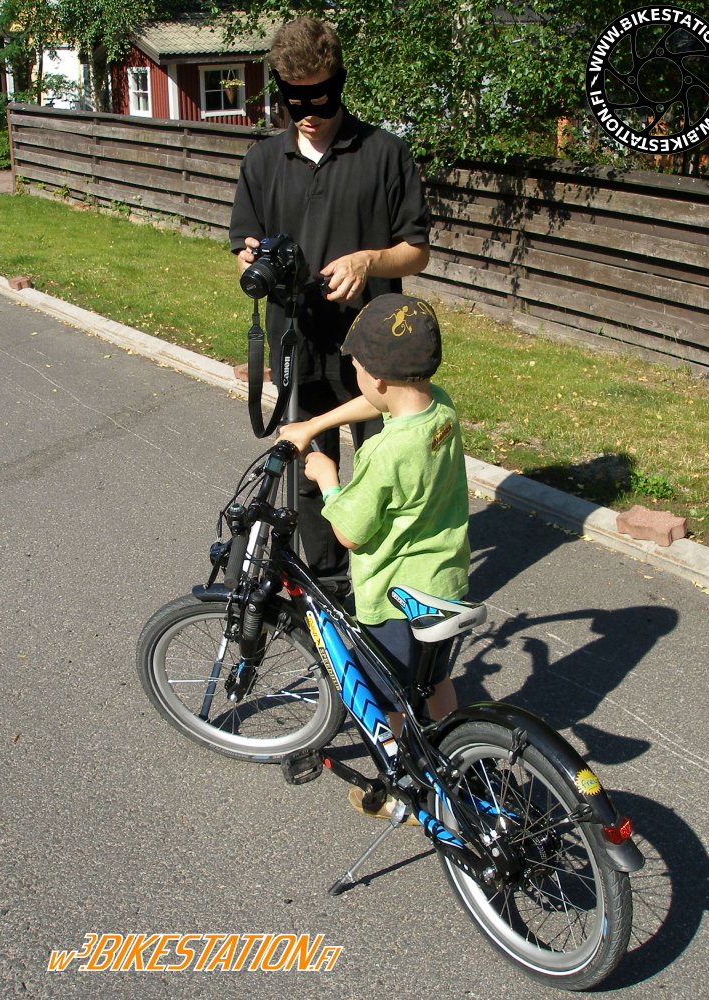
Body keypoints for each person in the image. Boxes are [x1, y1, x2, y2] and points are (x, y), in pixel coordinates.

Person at [229, 16, 430, 584]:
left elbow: (416, 251)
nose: (308, 111)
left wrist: (368, 261)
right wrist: (248, 260)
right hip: (296, 338)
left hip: (374, 345)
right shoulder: (262, 162)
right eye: (295, 100)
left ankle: (386, 582)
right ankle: (325, 580)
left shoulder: (385, 153)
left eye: (319, 95)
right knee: (309, 463)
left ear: (339, 79)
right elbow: (243, 245)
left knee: (381, 467)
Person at [278, 293, 470, 819]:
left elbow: (350, 533)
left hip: (395, 600)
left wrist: (327, 477)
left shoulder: (384, 452)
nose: (355, 376)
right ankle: (453, 750)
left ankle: (406, 788)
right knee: (434, 682)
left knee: (390, 700)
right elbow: (380, 402)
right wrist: (316, 425)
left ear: (379, 378)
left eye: (357, 368)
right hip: (445, 583)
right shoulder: (439, 408)